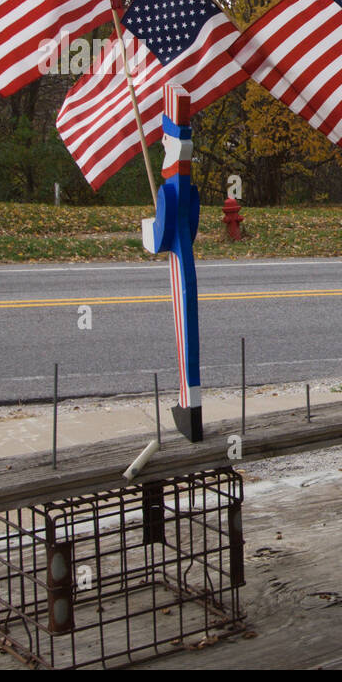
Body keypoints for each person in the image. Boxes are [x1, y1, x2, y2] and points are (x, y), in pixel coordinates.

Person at [141, 84, 204, 441]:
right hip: (185, 251)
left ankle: (188, 400)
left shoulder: (169, 189)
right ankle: (190, 401)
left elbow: (162, 237)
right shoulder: (186, 188)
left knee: (185, 315)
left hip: (180, 259)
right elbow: (189, 224)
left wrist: (148, 231)